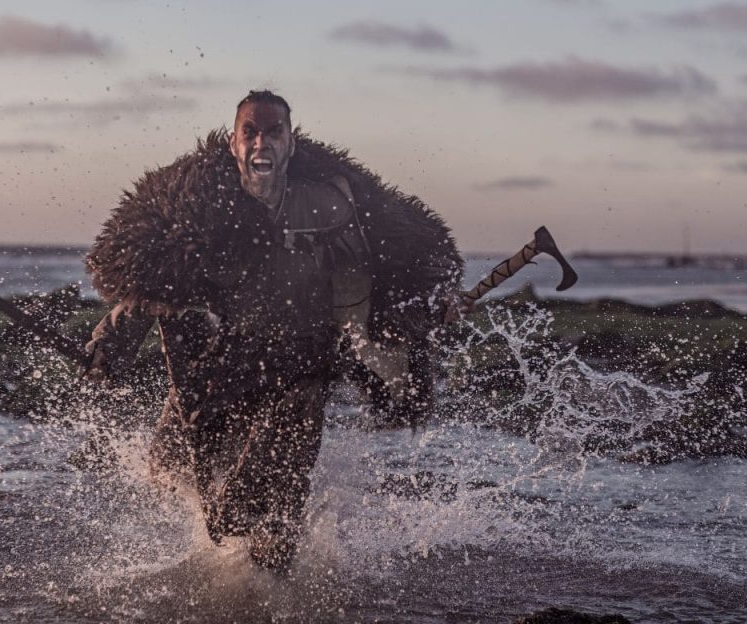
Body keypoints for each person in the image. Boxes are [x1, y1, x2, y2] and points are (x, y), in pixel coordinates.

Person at [84, 90, 464, 569]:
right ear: (232, 143)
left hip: (299, 368)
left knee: (275, 519)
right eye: (251, 132)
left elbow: (391, 258)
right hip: (220, 364)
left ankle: (267, 590)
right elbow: (155, 279)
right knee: (168, 473)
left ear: (290, 143)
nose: (261, 141)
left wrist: (430, 298)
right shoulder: (201, 211)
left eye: (273, 132)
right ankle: (209, 576)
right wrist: (110, 341)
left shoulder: (330, 205)